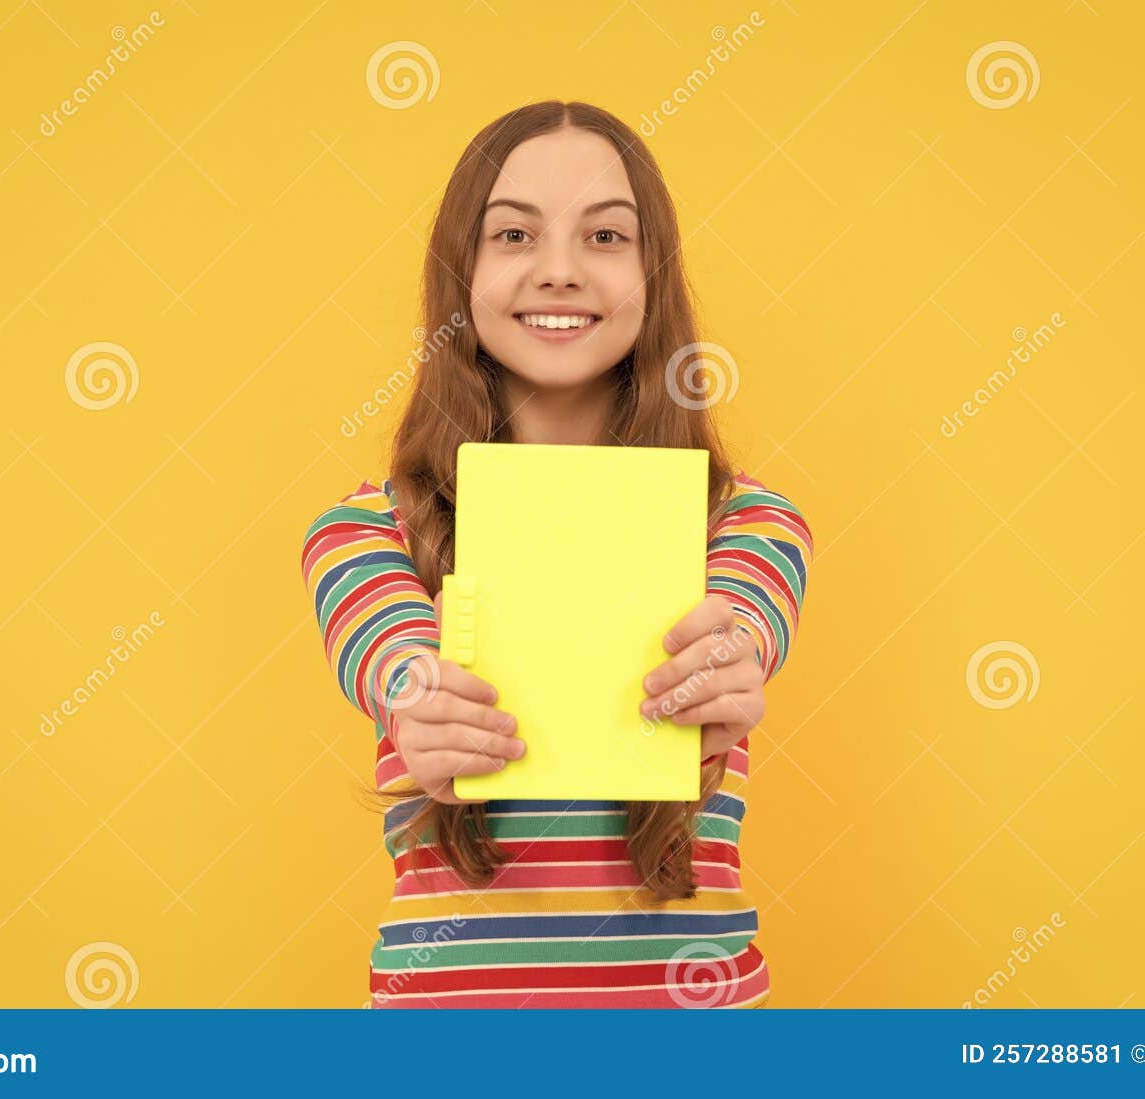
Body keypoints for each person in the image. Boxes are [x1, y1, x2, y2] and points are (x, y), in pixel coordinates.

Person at [301, 100, 811, 1008]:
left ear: (653, 278)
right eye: (514, 235)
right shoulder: (366, 531)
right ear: (463, 275)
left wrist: (726, 662)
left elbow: (747, 619)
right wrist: (419, 696)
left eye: (606, 235)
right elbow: (385, 655)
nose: (561, 271)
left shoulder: (746, 523)